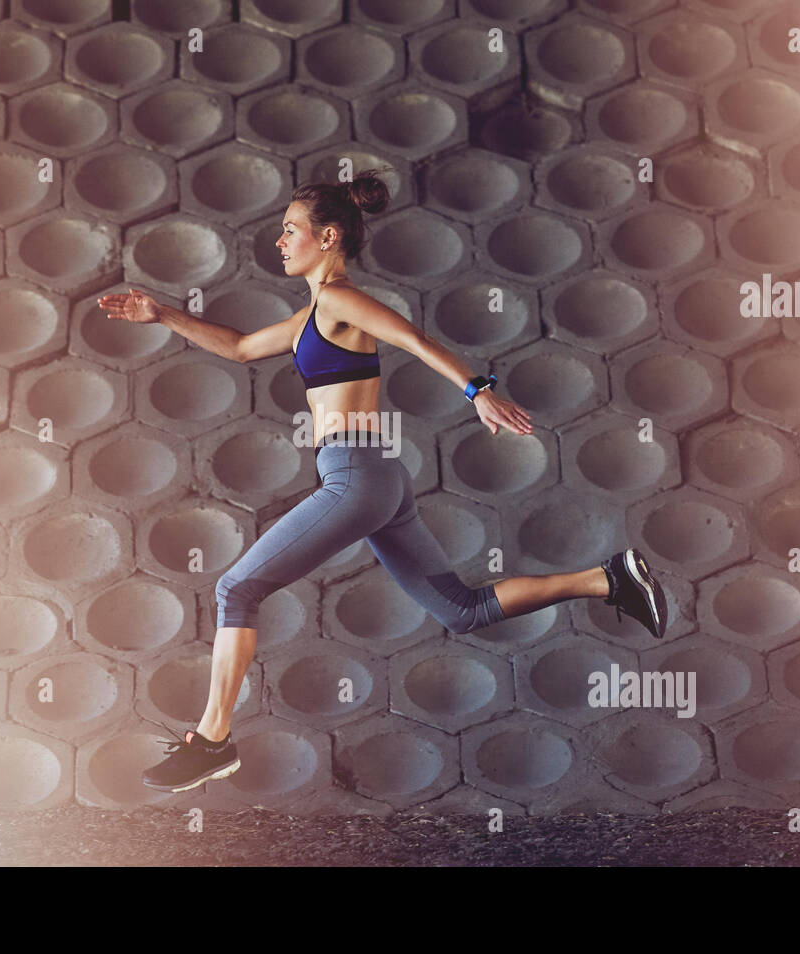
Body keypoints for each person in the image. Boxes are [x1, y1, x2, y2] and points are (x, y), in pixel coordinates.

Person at [97, 169, 667, 793]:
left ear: (329, 236)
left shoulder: (339, 299)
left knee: (236, 587)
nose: (280, 241)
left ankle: (211, 741)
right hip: (376, 478)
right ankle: (610, 578)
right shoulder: (312, 312)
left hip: (354, 478)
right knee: (462, 609)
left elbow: (414, 338)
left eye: (291, 231)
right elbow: (237, 347)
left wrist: (477, 391)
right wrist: (163, 314)